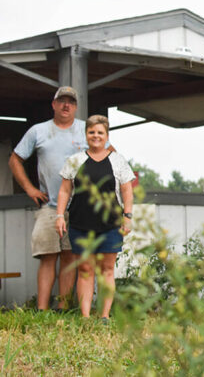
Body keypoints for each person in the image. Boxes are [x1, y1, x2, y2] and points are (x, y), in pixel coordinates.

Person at [8, 86, 101, 310]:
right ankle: (42, 310)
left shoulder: (86, 130)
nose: (66, 105)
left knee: (70, 258)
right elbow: (14, 160)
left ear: (76, 107)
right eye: (62, 101)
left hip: (80, 207)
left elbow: (109, 155)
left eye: (70, 102)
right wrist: (30, 189)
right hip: (49, 206)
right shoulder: (38, 131)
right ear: (54, 104)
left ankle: (63, 309)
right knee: (48, 257)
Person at [54, 115, 134, 320]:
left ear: (106, 136)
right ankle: (86, 316)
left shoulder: (118, 160)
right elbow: (64, 191)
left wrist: (128, 216)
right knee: (85, 270)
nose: (96, 136)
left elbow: (127, 191)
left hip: (111, 225)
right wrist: (59, 216)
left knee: (107, 270)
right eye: (92, 132)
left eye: (100, 133)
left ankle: (104, 316)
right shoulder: (75, 160)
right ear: (86, 135)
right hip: (80, 224)